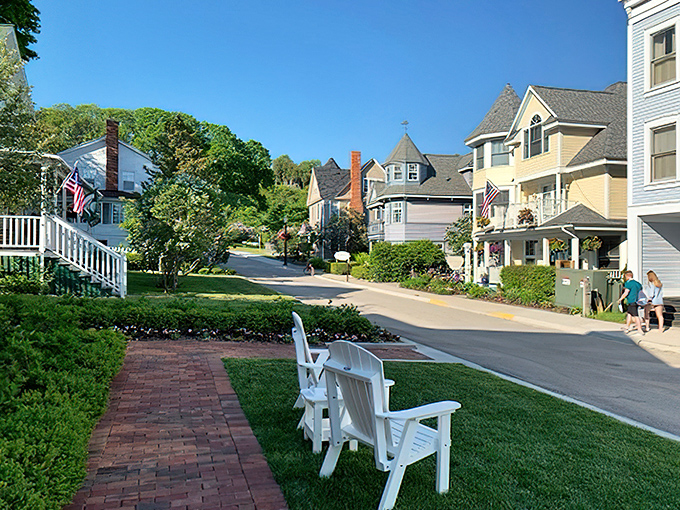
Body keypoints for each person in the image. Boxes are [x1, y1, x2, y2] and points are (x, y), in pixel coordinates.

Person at [618, 270, 644, 335]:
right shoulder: (638, 283)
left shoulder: (628, 283)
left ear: (628, 276)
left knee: (635, 316)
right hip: (637, 300)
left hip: (631, 300)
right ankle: (627, 326)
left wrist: (620, 299)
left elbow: (626, 292)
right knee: (629, 314)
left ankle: (639, 329)